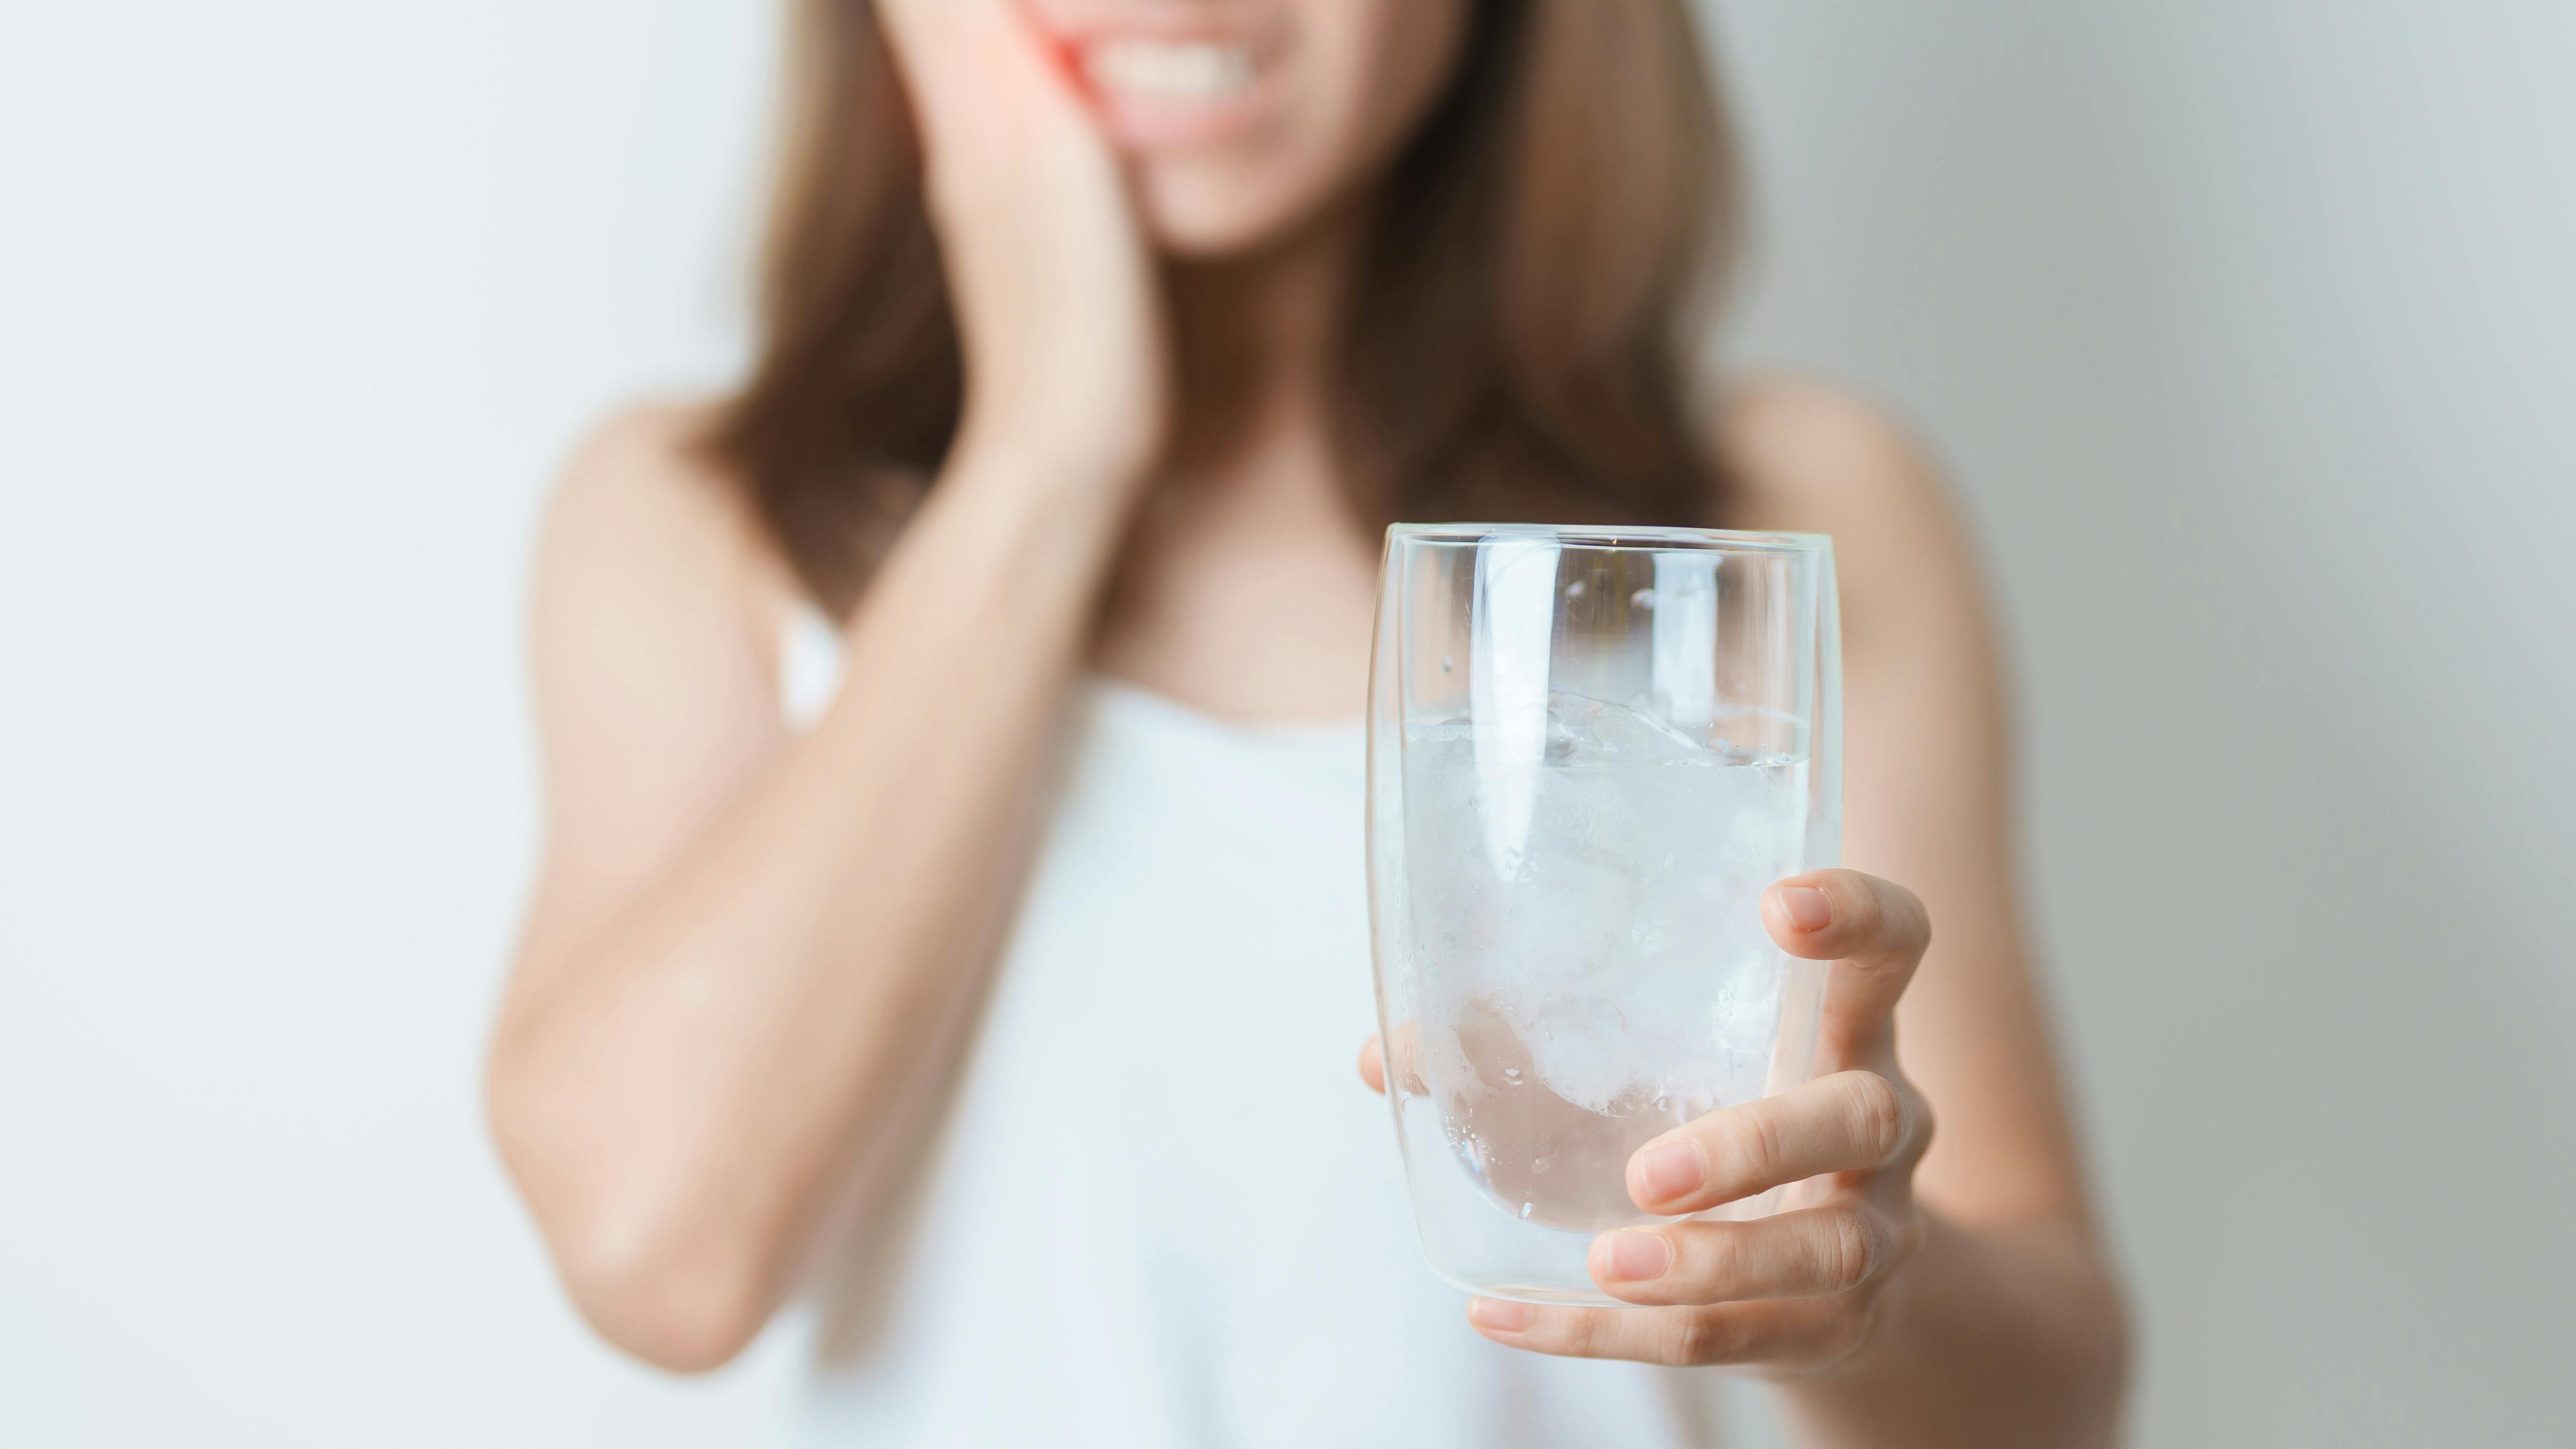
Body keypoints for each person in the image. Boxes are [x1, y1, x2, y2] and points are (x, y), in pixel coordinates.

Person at [484, 0, 2128, 1443]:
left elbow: (2052, 1407)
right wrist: (1051, 445)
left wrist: (1861, 1287)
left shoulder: (1789, 520)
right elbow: (660, 1255)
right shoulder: (700, 523)